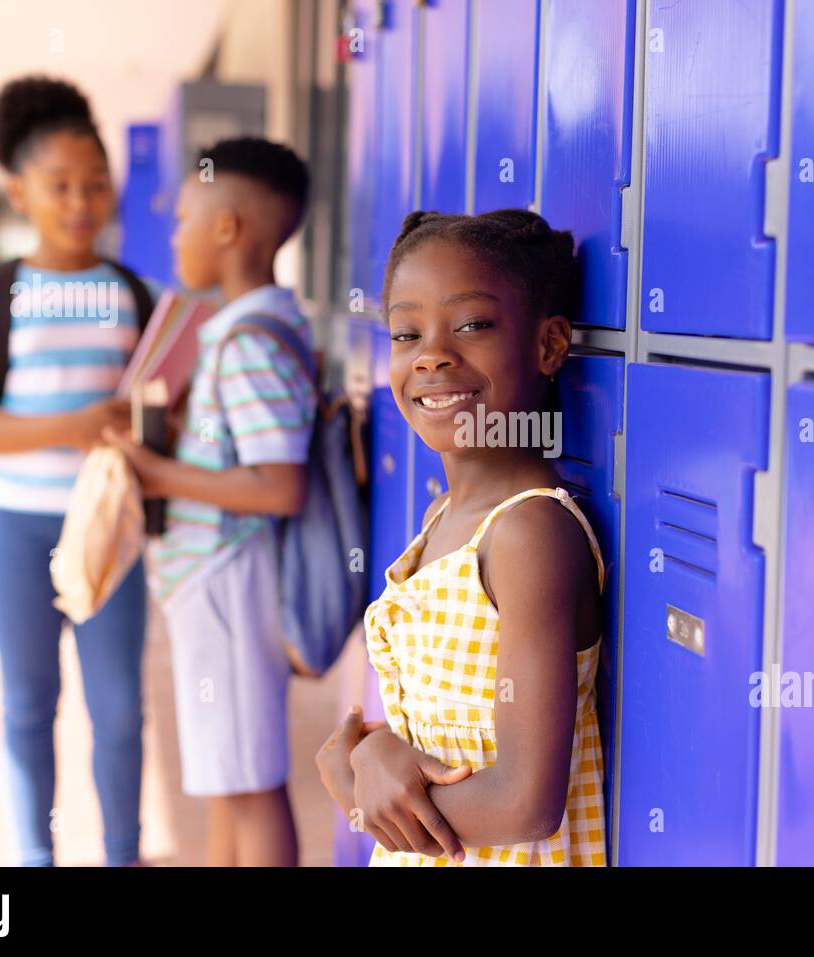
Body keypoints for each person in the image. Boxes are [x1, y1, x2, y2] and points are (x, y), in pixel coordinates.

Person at [316, 209, 607, 866]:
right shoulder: (445, 516)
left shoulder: (529, 531)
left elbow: (526, 801)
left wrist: (364, 791)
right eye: (406, 332)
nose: (433, 354)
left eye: (473, 325)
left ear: (549, 346)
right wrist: (375, 751)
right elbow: (455, 729)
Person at [0, 76, 154, 867]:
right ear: (18, 192)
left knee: (121, 709)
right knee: (30, 704)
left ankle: (123, 854)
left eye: (95, 183)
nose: (81, 201)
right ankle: (36, 856)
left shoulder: (136, 295)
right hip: (14, 529)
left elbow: (152, 414)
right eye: (59, 185)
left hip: (109, 529)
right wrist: (74, 424)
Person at [104, 137, 314, 867]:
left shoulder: (250, 341)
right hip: (210, 581)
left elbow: (278, 485)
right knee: (229, 779)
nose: (174, 233)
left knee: (252, 784)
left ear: (228, 228)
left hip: (229, 579)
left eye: (186, 216)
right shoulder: (237, 330)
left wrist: (158, 476)